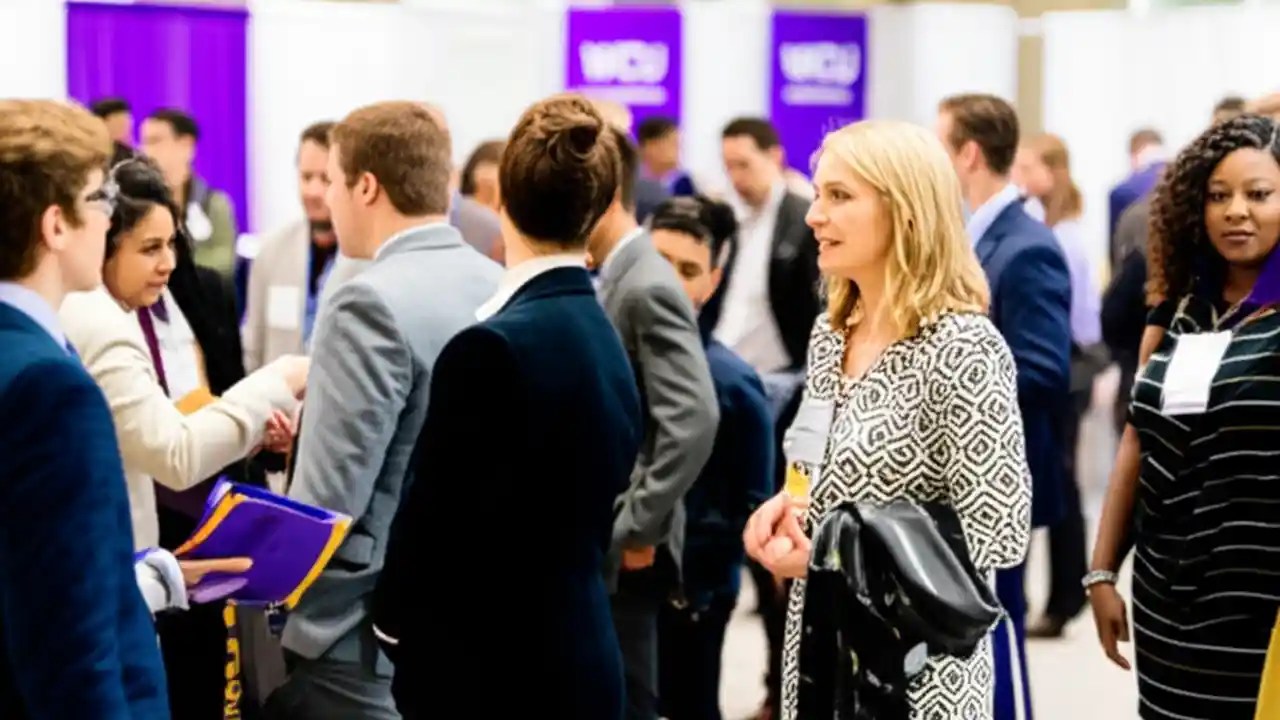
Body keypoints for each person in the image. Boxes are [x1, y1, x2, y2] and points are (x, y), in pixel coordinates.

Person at [743, 118, 1031, 720]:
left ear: (905, 210)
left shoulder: (963, 347)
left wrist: (829, 553)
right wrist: (787, 505)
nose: (814, 216)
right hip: (822, 647)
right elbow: (821, 468)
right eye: (817, 194)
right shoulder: (831, 334)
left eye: (839, 196)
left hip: (918, 673)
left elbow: (998, 531)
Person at [373, 92, 643, 720]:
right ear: (601, 208)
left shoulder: (489, 349)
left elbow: (432, 524)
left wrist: (394, 627)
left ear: (500, 201)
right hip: (583, 654)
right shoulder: (601, 333)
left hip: (496, 672)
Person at [269, 101, 501, 719]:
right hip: (472, 606)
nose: (326, 198)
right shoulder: (496, 282)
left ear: (366, 187)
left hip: (361, 630)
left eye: (332, 180)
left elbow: (328, 499)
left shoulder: (365, 302)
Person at [59, 155, 307, 719]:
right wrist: (281, 378)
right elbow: (175, 451)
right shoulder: (102, 322)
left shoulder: (152, 301)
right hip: (127, 563)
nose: (168, 263)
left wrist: (250, 433)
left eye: (171, 244)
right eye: (150, 248)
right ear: (102, 242)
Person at [1089, 113, 1280, 719]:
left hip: (1259, 604)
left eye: (1259, 194)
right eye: (1218, 196)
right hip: (1166, 599)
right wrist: (1101, 571)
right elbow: (1137, 437)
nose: (1236, 212)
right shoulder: (1178, 310)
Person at [0, 98, 169, 718]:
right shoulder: (51, 389)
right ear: (55, 226)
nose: (108, 218)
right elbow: (75, 650)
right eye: (99, 198)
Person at [936, 93, 1072, 720]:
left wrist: (947, 392)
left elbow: (1044, 370)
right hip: (955, 482)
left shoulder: (1026, 246)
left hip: (997, 480)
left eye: (939, 145)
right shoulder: (971, 238)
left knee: (997, 643)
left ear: (968, 154)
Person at [589, 124, 720, 720]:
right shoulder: (622, 273)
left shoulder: (646, 282)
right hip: (611, 544)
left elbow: (692, 419)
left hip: (628, 550)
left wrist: (636, 526)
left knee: (631, 698)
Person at [649, 195, 775, 720]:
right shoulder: (604, 354)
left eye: (688, 270)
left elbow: (754, 501)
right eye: (660, 262)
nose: (671, 281)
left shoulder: (733, 384)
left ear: (712, 281)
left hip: (693, 594)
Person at [1012, 133, 1105, 639]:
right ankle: (1062, 595)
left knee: (1060, 481)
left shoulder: (1063, 236)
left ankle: (1067, 595)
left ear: (1053, 171)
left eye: (1028, 167)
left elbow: (1080, 320)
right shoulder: (1047, 228)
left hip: (1068, 368)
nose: (1020, 176)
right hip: (1066, 363)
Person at [244, 121, 340, 370]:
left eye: (326, 179)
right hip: (277, 393)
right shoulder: (271, 251)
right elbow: (253, 346)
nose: (313, 190)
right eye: (306, 177)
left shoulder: (368, 258)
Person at [140, 108, 238, 279]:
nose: (146, 151)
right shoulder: (137, 203)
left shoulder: (213, 204)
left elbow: (226, 261)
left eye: (155, 141)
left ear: (186, 145)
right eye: (144, 142)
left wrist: (177, 267)